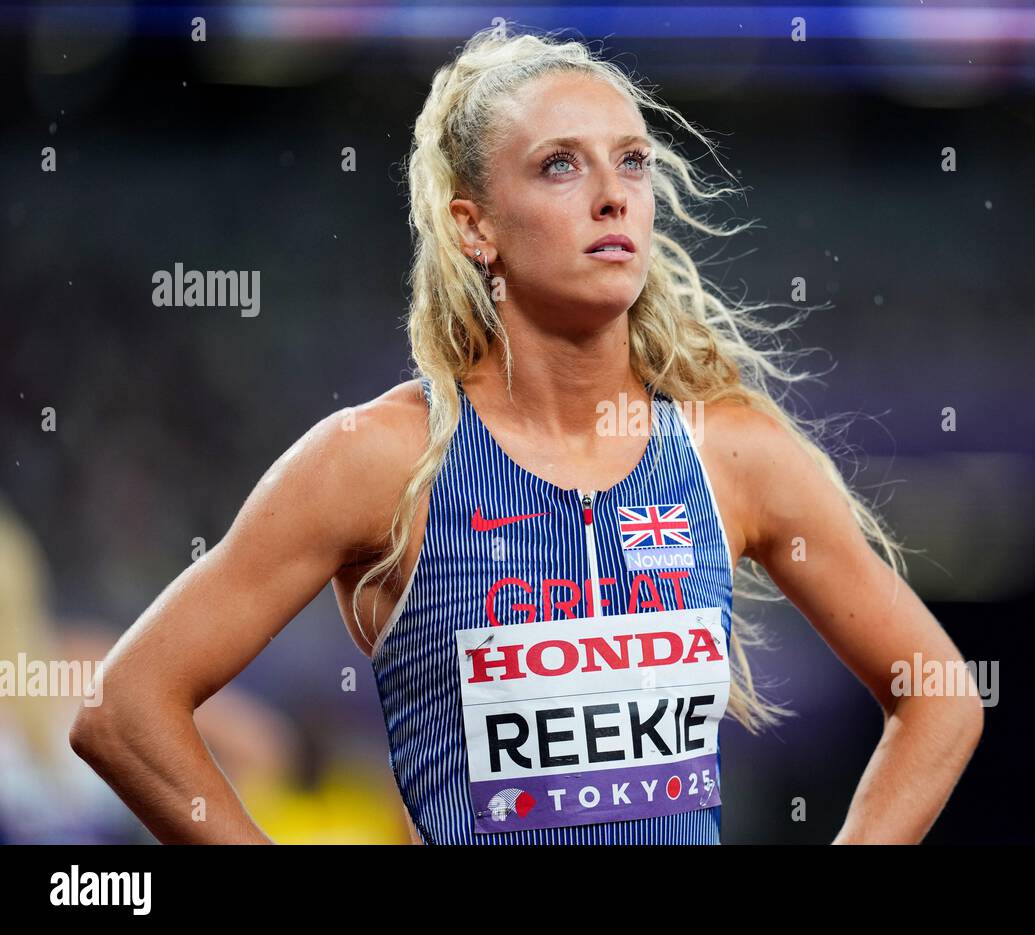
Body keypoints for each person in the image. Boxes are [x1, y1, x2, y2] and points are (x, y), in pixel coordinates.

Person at [70, 25, 983, 844]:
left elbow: (939, 695)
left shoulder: (730, 455)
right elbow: (123, 709)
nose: (614, 197)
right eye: (560, 165)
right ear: (474, 226)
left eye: (631, 162)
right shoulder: (378, 461)